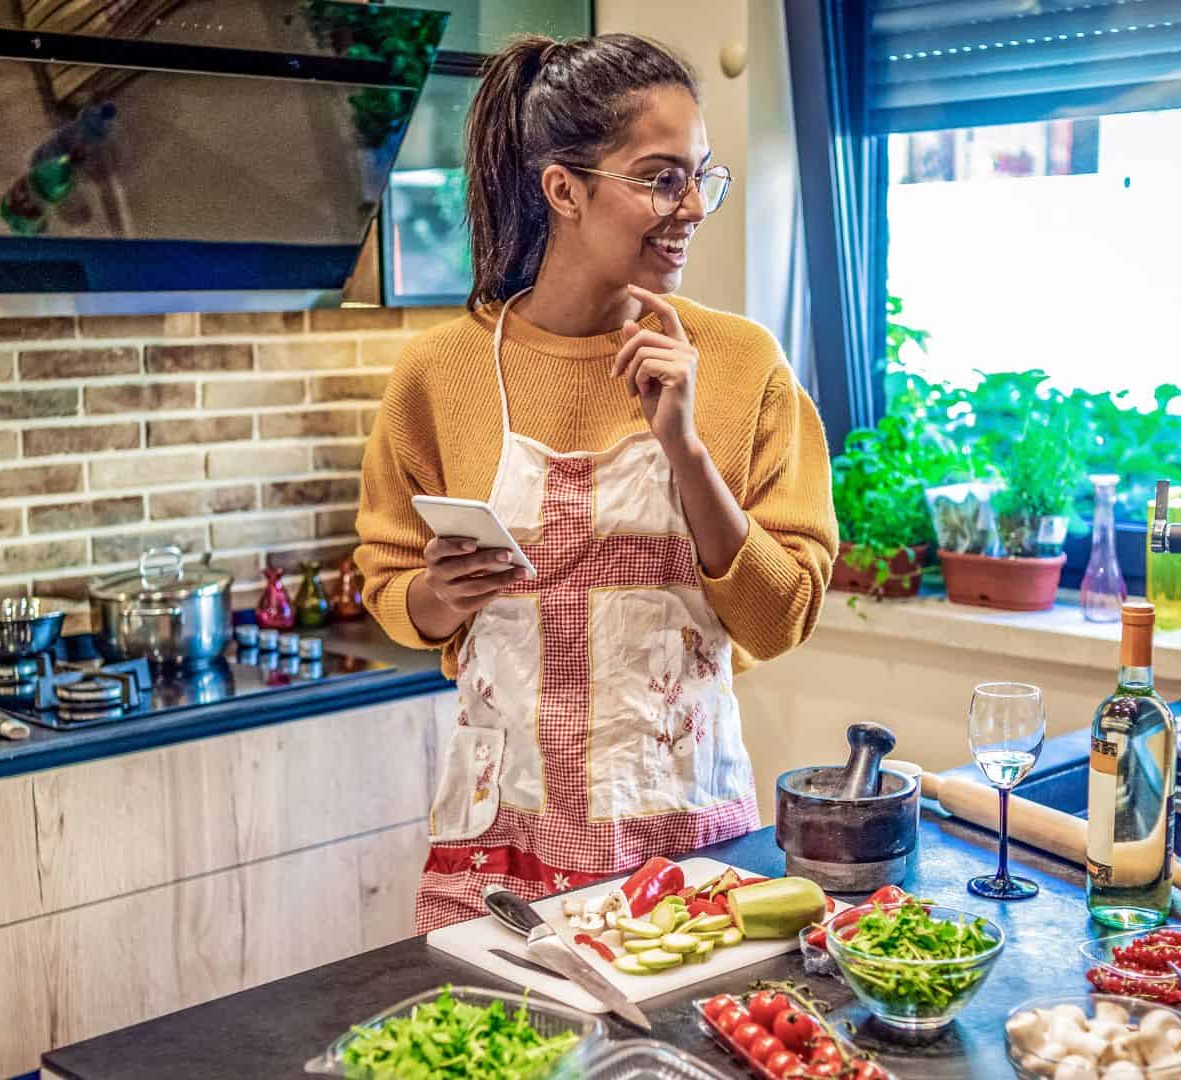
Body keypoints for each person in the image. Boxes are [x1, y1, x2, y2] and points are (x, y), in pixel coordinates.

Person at [355, 32, 838, 932]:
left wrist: (687, 451)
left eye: (701, 175)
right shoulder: (443, 371)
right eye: (660, 177)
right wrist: (435, 595)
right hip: (499, 850)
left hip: (688, 854)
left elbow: (781, 620)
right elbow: (388, 582)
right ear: (564, 189)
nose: (692, 205)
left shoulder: (739, 365)